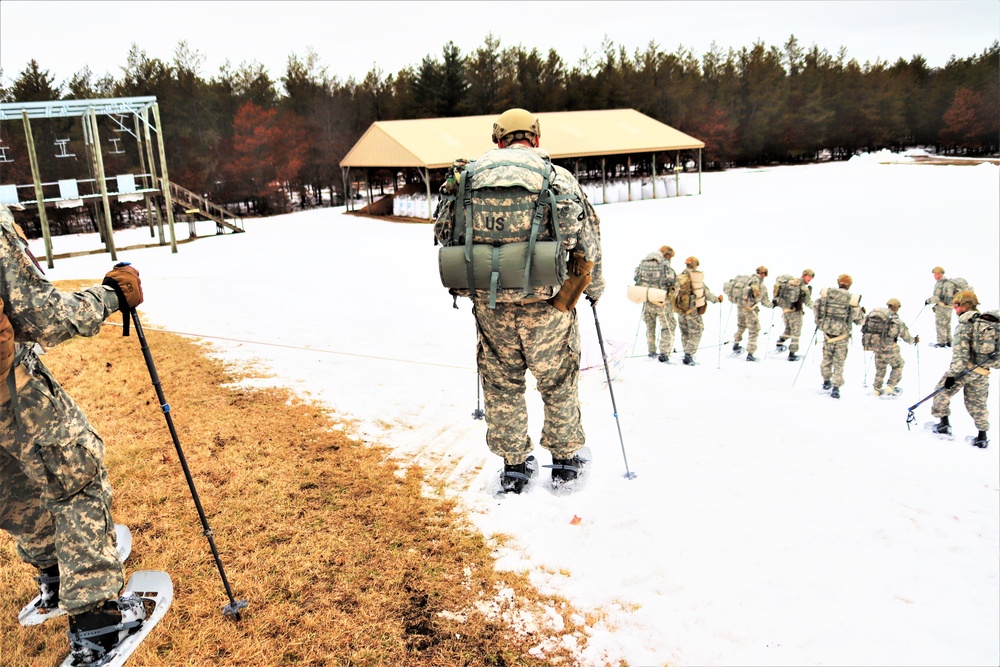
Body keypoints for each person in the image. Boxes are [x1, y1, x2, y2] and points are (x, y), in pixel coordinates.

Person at [0, 202, 146, 664]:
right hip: (8, 391)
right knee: (76, 478)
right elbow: (43, 316)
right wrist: (109, 296)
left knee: (13, 487)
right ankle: (98, 620)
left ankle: (57, 577)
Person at [433, 109, 604, 493]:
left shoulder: (468, 177)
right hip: (548, 308)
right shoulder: (557, 178)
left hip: (491, 306)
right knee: (558, 381)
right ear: (536, 138)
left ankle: (514, 467)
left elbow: (446, 234)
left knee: (501, 384)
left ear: (498, 138)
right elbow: (587, 246)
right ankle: (565, 462)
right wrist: (588, 293)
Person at [929, 291, 996, 448]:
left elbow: (960, 354)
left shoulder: (965, 324)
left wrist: (952, 375)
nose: (954, 308)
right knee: (978, 404)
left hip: (965, 370)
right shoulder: (985, 323)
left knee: (941, 392)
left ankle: (943, 425)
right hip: (983, 370)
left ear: (965, 305)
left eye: (957, 305)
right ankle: (982, 437)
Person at [813, 273, 865, 399]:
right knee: (839, 362)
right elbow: (858, 321)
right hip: (842, 336)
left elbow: (816, 307)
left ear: (838, 282)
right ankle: (836, 388)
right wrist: (861, 312)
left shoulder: (827, 295)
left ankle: (826, 381)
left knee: (826, 358)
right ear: (849, 285)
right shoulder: (852, 299)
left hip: (827, 334)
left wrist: (819, 322)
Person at [673, 256, 723, 366]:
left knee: (685, 332)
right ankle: (689, 355)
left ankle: (686, 352)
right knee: (696, 331)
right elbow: (706, 293)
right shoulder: (696, 277)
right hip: (692, 310)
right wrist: (717, 299)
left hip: (680, 310)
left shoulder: (678, 277)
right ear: (695, 265)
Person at [633, 245, 677, 362]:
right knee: (668, 326)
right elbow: (673, 280)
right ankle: (664, 353)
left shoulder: (644, 262)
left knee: (650, 327)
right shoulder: (664, 264)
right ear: (666, 254)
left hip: (647, 301)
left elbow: (636, 277)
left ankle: (651, 351)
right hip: (661, 302)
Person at [871, 298, 918, 397]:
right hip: (891, 349)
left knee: (880, 369)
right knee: (898, 365)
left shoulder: (879, 317)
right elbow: (907, 338)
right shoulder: (897, 321)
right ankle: (891, 386)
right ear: (896, 308)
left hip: (877, 348)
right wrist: (914, 340)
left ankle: (877, 388)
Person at [731, 265, 773, 362]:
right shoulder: (760, 285)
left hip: (740, 307)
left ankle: (736, 345)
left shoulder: (746, 280)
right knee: (754, 330)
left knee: (741, 326)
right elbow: (765, 301)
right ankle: (750, 353)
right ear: (763, 274)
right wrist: (773, 305)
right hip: (750, 310)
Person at [774, 269, 815, 361]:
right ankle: (792, 353)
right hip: (795, 312)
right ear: (804, 275)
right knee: (796, 333)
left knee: (789, 329)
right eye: (808, 276)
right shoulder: (802, 286)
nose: (810, 279)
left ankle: (780, 342)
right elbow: (807, 301)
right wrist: (815, 308)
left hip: (786, 311)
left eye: (811, 277)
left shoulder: (791, 283)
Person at [925, 266, 959, 347]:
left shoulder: (940, 283)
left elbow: (937, 298)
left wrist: (928, 301)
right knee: (947, 324)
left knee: (940, 324)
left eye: (935, 274)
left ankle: (942, 342)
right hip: (950, 307)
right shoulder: (949, 282)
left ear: (939, 274)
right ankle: (949, 341)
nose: (934, 276)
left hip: (942, 306)